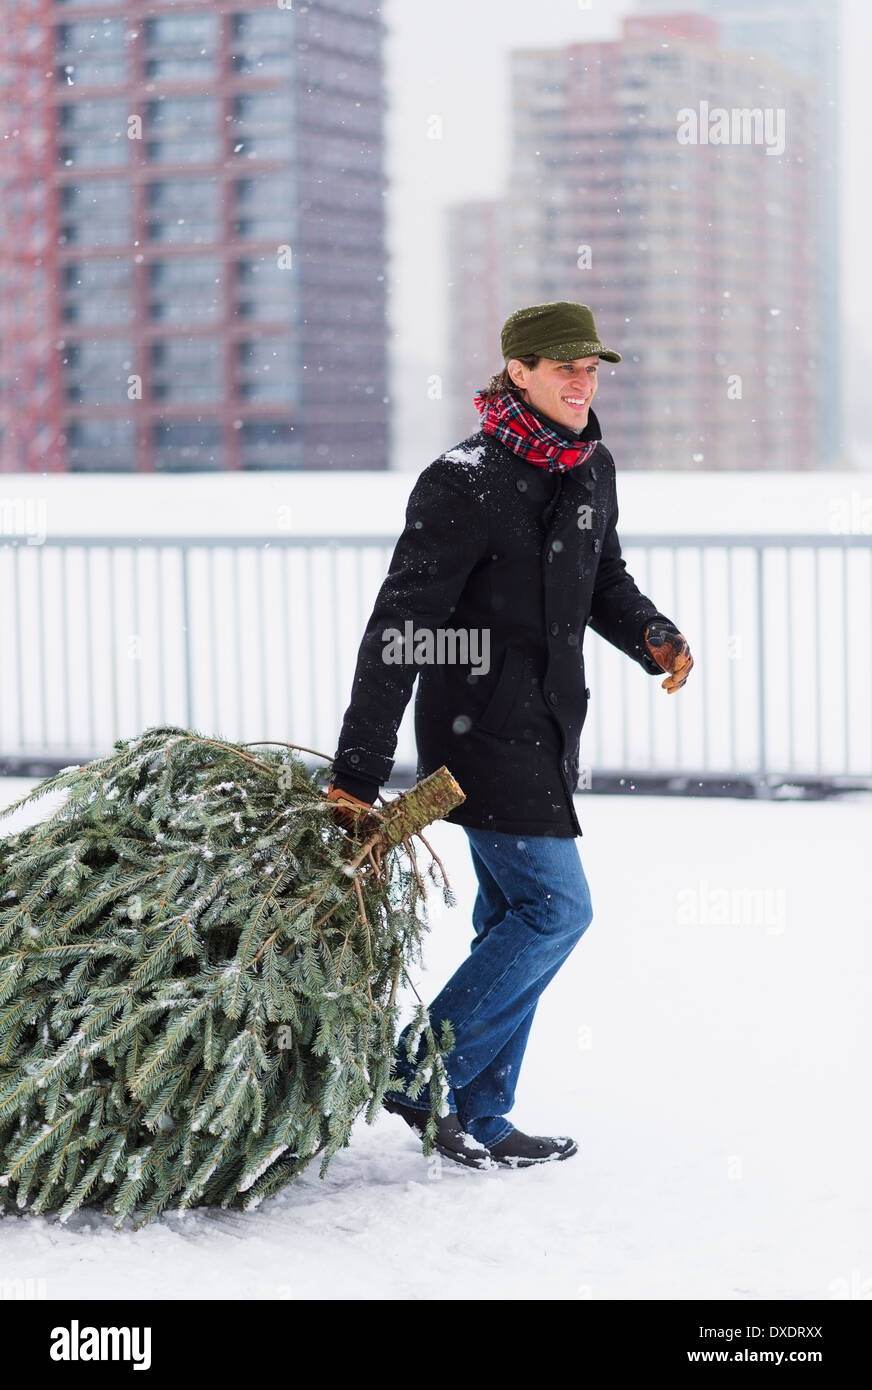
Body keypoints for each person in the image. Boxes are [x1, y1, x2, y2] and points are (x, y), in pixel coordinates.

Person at [327, 302, 693, 1170]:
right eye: (563, 366)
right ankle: (420, 1069)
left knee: (508, 921)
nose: (581, 381)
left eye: (592, 367)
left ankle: (484, 1117)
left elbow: (604, 577)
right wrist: (357, 770)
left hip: (553, 728)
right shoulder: (463, 480)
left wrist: (650, 635)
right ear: (516, 372)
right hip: (481, 735)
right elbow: (399, 629)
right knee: (556, 909)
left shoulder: (589, 469)